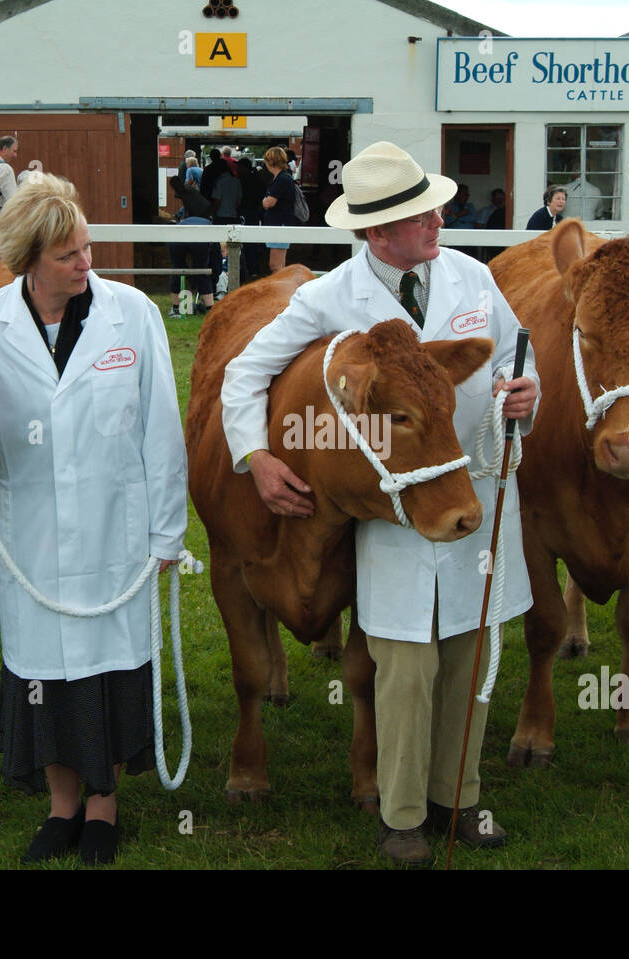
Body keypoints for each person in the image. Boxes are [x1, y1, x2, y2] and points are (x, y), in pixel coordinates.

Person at [220, 141, 540, 867]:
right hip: (394, 513)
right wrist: (257, 455)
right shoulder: (331, 296)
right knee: (403, 666)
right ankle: (401, 818)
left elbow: (523, 361)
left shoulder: (474, 279)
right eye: (415, 213)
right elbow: (245, 373)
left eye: (431, 205)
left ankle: (458, 798)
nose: (436, 218)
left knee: (468, 654)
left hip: (476, 490)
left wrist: (529, 396)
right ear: (375, 233)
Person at [0, 173, 187, 866]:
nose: (86, 263)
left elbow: (161, 430)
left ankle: (105, 809)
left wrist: (167, 531)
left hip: (119, 528)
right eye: (68, 255)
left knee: (110, 667)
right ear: (27, 260)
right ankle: (62, 808)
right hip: (34, 536)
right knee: (45, 672)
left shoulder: (133, 314)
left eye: (86, 247)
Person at [166, 177, 215, 316]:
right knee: (201, 270)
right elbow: (215, 258)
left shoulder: (185, 207)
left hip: (178, 235)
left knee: (177, 269)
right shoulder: (207, 217)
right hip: (199, 237)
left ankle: (176, 308)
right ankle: (210, 308)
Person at [260, 145, 296, 274]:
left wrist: (264, 201)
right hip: (280, 223)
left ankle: (281, 291)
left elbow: (269, 202)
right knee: (281, 265)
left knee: (275, 265)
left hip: (279, 224)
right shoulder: (284, 177)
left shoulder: (281, 179)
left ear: (271, 162)